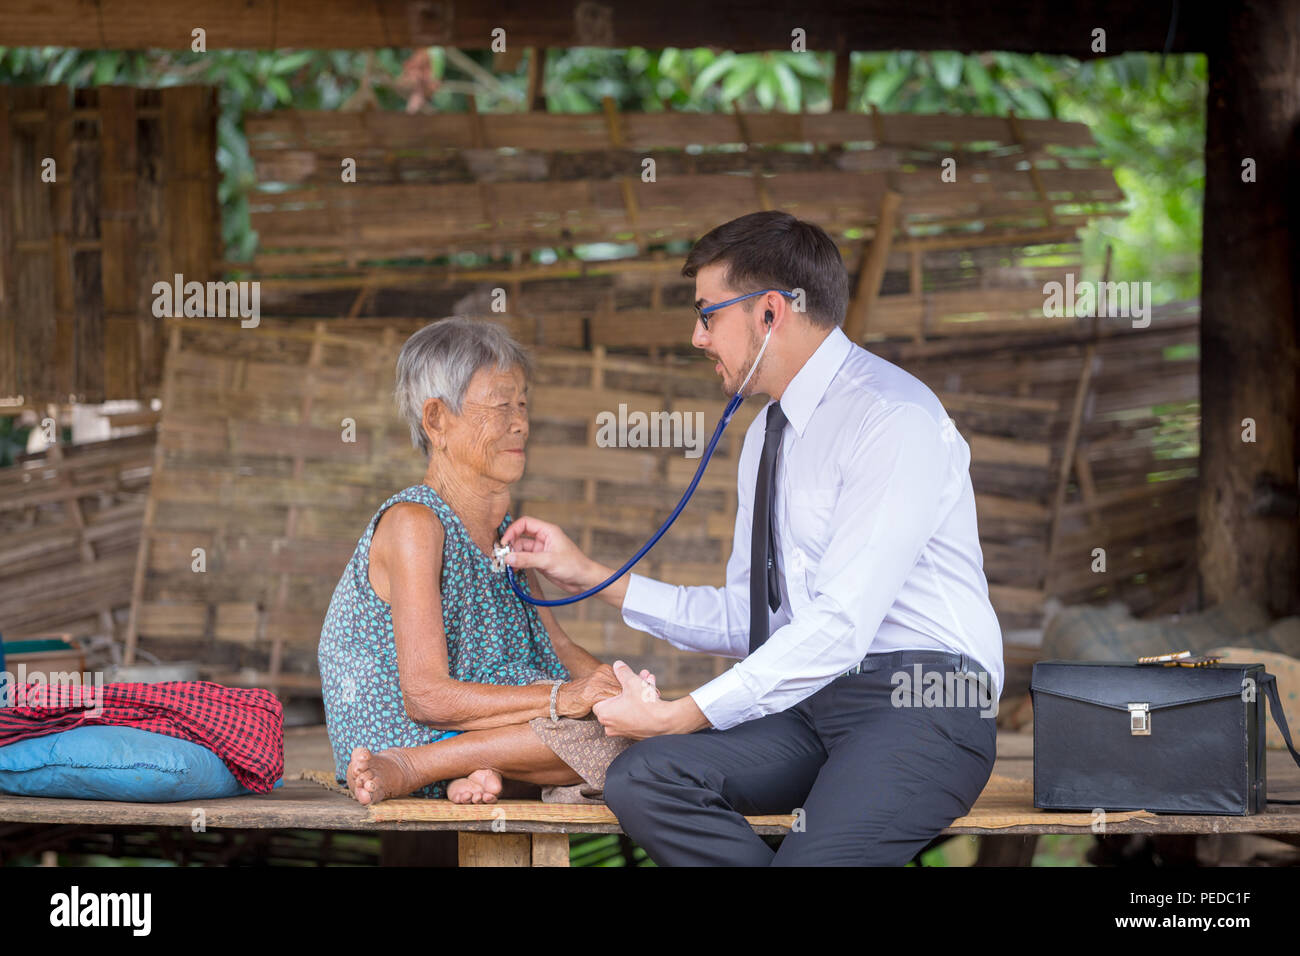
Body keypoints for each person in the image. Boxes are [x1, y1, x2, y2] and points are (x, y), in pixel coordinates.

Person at [501, 209, 1005, 865]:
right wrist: (594, 577)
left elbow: (843, 624)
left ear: (770, 312)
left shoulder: (892, 418)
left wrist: (680, 714)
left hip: (926, 702)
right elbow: (756, 618)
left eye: (708, 314)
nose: (697, 336)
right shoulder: (767, 436)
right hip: (812, 700)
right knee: (646, 777)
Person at [317, 317, 657, 806]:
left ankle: (482, 773)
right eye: (501, 406)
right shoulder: (415, 524)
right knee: (608, 742)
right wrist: (568, 699)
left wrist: (625, 693)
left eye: (522, 404)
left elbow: (557, 647)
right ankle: (416, 769)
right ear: (437, 421)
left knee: (637, 734)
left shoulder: (505, 535)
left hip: (497, 730)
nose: (520, 422)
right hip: (406, 736)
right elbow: (427, 697)